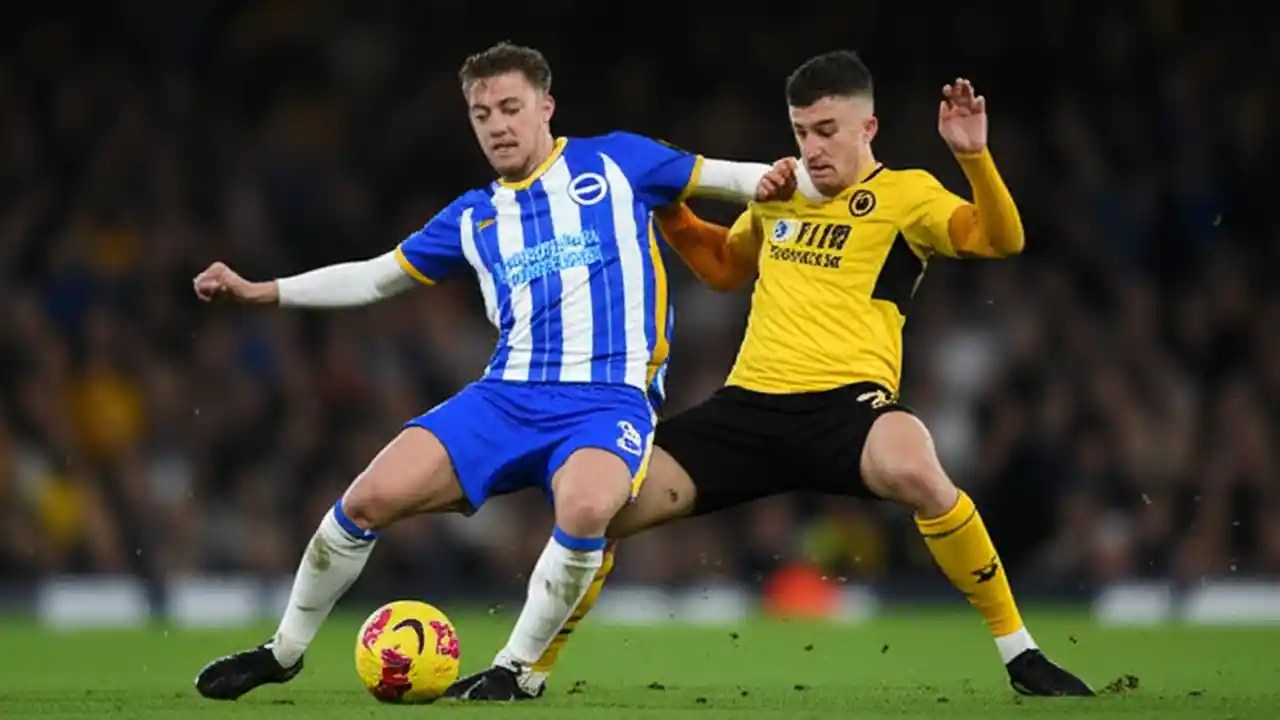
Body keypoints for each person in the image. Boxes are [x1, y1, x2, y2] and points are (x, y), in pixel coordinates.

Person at [448, 50, 1094, 700]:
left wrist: (973, 156)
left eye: (827, 130)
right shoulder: (784, 196)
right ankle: (524, 674)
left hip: (848, 408)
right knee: (602, 510)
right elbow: (724, 269)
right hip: (748, 409)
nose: (812, 147)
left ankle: (1020, 653)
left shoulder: (907, 195)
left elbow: (1000, 239)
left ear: (867, 128)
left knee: (917, 468)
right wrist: (669, 207)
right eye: (802, 132)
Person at [191, 41, 791, 701]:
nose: (498, 125)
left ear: (546, 107)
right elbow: (373, 278)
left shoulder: (617, 160)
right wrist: (261, 291)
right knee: (364, 500)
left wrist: (787, 180)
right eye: (482, 114)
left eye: (510, 107)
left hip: (607, 400)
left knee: (589, 507)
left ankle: (516, 671)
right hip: (505, 399)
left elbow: (742, 179)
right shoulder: (475, 215)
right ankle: (283, 652)